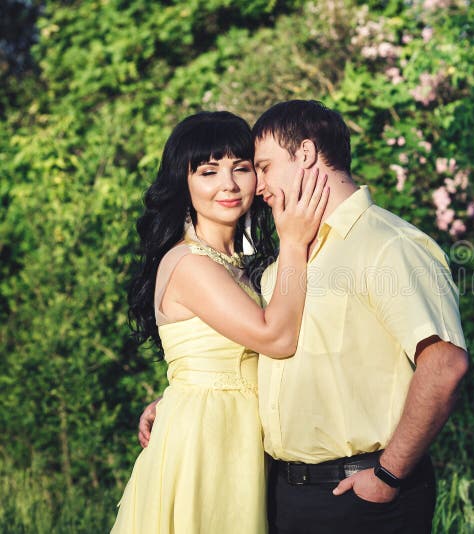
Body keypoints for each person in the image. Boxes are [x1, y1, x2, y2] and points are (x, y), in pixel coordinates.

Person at [140, 100, 469, 533]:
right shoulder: (285, 262)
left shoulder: (386, 244)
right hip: (282, 490)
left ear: (308, 154)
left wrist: (388, 475)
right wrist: (184, 398)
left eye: (257, 167)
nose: (254, 185)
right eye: (210, 172)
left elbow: (445, 364)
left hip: (361, 489)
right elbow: (272, 358)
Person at [113, 110, 328, 534]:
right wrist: (293, 242)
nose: (228, 184)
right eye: (208, 172)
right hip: (207, 441)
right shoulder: (189, 263)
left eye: (241, 168)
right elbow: (276, 339)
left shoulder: (238, 264)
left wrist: (168, 399)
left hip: (236, 436)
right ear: (183, 183)